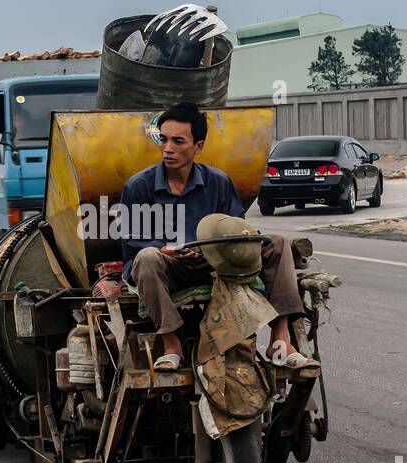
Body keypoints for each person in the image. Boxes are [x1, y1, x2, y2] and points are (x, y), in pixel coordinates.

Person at [120, 102, 309, 371]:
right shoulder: (138, 186)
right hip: (170, 266)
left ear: (198, 146)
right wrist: (163, 249)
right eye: (163, 139)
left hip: (216, 263)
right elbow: (131, 241)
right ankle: (171, 343)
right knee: (145, 257)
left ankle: (280, 339)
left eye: (178, 141)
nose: (168, 148)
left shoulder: (218, 182)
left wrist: (243, 238)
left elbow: (234, 228)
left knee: (277, 243)